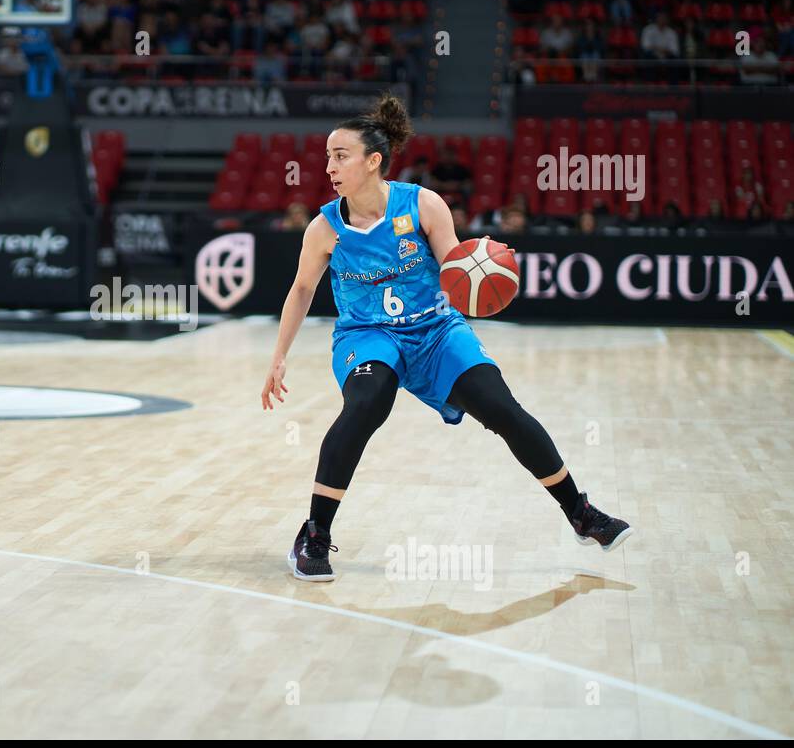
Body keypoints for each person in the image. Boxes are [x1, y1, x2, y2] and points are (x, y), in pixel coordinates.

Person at [260, 94, 631, 582]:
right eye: (328, 156)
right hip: (369, 336)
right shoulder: (324, 228)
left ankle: (581, 514)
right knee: (367, 402)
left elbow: (458, 270)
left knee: (504, 411)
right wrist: (279, 357)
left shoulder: (423, 204)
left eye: (340, 155)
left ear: (374, 161)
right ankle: (314, 533)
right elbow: (302, 288)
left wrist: (484, 274)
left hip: (436, 332)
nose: (329, 165)